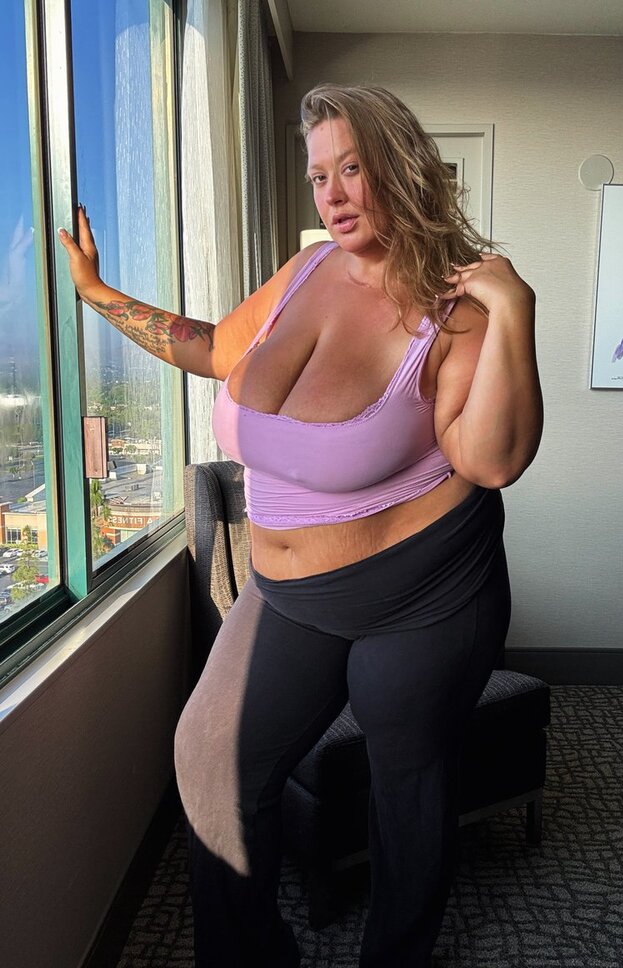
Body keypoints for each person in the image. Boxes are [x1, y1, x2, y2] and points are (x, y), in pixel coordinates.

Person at [59, 83, 543, 968]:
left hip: (425, 594)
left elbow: (492, 461)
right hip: (286, 594)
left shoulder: (457, 311)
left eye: (353, 168)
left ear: (402, 166)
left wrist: (516, 310)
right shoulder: (307, 269)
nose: (334, 194)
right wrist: (96, 293)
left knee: (407, 791)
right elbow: (216, 348)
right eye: (321, 175)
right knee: (211, 760)